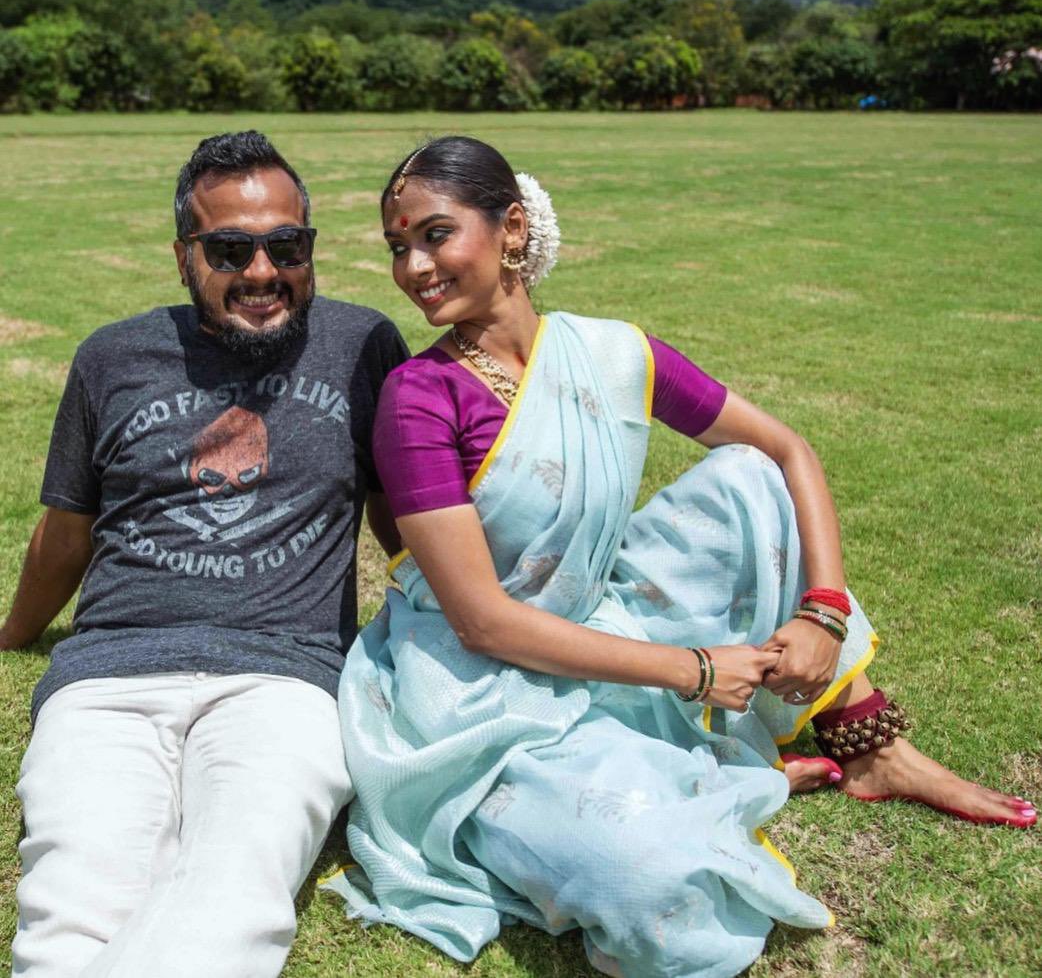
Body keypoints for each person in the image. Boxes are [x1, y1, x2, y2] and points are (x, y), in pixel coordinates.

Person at [323, 136, 1036, 978]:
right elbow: (481, 622)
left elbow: (786, 450)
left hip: (594, 617)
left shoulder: (613, 353)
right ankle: (704, 780)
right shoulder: (419, 396)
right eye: (397, 246)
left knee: (747, 478)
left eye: (435, 235)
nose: (413, 266)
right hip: (474, 690)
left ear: (511, 227)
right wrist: (692, 670)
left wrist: (824, 610)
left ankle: (870, 745)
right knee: (649, 882)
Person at [0, 130, 408, 978]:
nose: (262, 271)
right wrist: (12, 637)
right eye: (229, 249)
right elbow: (65, 535)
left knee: (237, 881)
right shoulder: (111, 357)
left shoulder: (363, 345)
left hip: (284, 679)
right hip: (109, 678)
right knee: (71, 892)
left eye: (287, 246)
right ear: (184, 255)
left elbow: (402, 520)